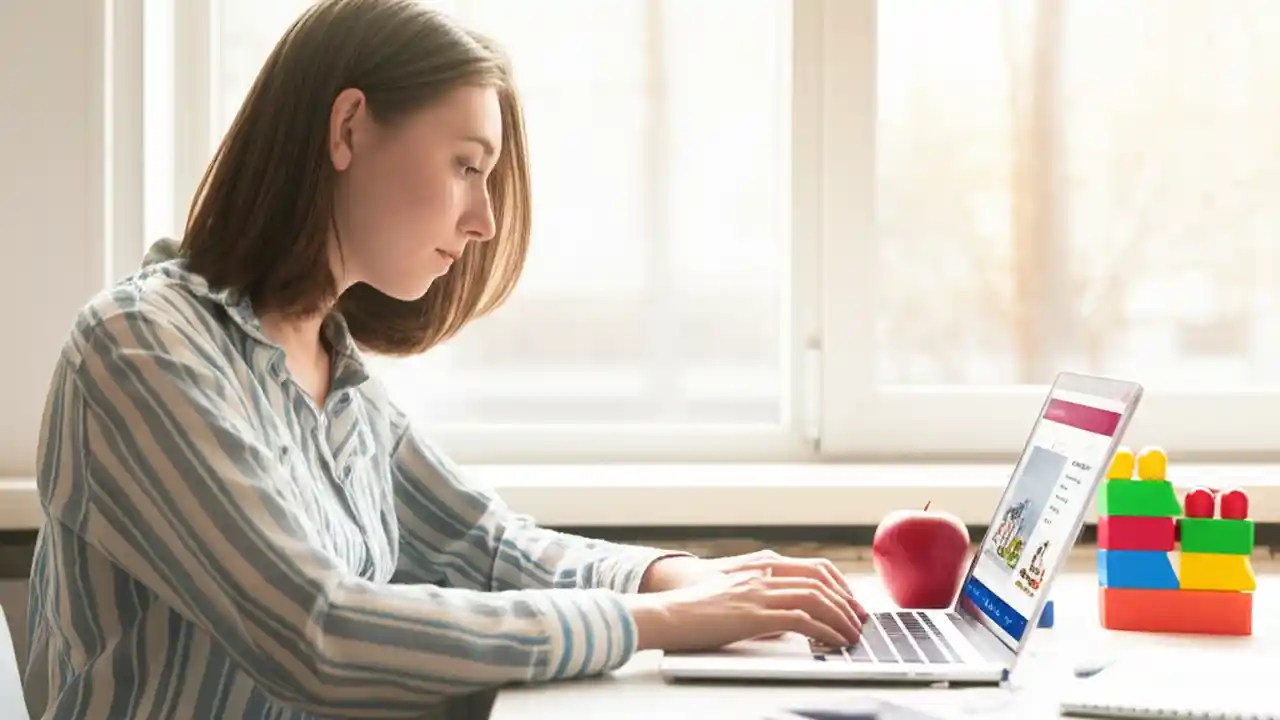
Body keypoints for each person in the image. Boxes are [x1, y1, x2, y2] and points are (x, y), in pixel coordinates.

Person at [25, 1, 866, 717]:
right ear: (349, 127)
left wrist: (682, 578)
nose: (484, 222)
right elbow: (318, 630)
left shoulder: (335, 377)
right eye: (467, 166)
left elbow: (486, 545)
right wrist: (657, 622)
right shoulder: (140, 349)